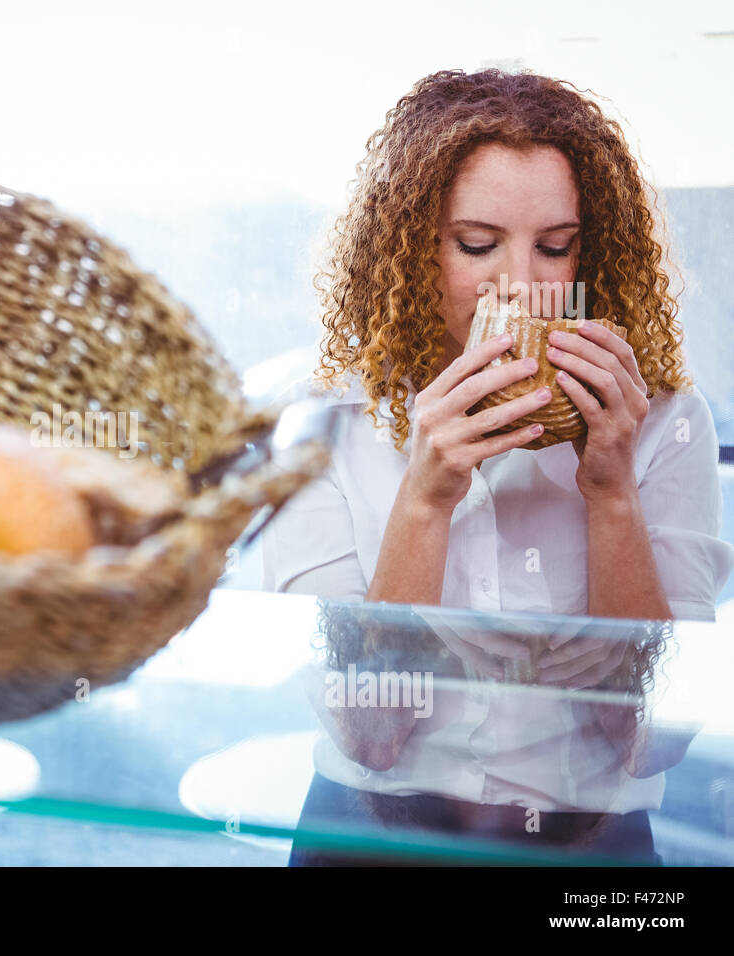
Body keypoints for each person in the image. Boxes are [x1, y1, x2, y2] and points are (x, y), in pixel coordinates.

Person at [262, 68, 734, 866]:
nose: (522, 282)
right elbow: (371, 735)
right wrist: (425, 498)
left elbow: (651, 740)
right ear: (413, 252)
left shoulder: (663, 423)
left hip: (591, 846)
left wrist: (611, 494)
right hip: (365, 834)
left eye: (557, 247)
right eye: (477, 245)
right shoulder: (328, 422)